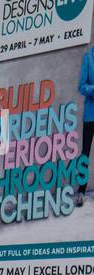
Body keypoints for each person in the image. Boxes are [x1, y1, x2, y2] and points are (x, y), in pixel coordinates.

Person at [77, 41, 94, 206]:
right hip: (90, 116)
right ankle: (81, 192)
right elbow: (81, 87)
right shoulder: (88, 58)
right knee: (85, 154)